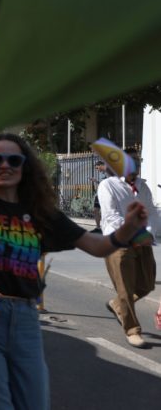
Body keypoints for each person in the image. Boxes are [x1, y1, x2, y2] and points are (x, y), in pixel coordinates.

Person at [0, 131, 149, 410]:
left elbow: (97, 246)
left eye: (13, 160)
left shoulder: (41, 213)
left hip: (26, 322)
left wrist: (128, 227)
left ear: (24, 166)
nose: (4, 165)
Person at [97, 148, 160, 348]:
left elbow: (151, 211)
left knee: (147, 284)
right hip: (119, 243)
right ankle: (132, 330)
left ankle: (117, 305)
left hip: (143, 241)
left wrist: (149, 232)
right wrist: (136, 234)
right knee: (125, 289)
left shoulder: (143, 186)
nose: (137, 167)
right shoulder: (108, 185)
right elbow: (111, 217)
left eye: (138, 162)